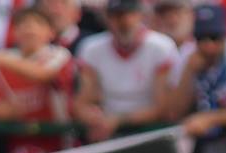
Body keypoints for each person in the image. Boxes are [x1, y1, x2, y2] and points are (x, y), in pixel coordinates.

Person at [73, 0, 178, 142]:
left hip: (152, 134)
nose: (125, 22)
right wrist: (92, 116)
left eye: (130, 14)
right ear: (107, 17)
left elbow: (163, 107)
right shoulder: (91, 48)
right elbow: (83, 100)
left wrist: (118, 120)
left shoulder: (161, 46)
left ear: (141, 15)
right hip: (109, 134)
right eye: (117, 15)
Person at [0, 7, 75, 153]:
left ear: (51, 32)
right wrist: (4, 111)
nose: (29, 28)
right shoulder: (3, 61)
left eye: (37, 23)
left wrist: (0, 58)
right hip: (17, 148)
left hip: (58, 146)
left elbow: (42, 74)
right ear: (14, 32)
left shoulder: (59, 54)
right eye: (22, 24)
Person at [168, 4, 226, 142]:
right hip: (204, 141)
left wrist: (211, 118)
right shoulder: (187, 55)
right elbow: (174, 112)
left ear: (225, 35)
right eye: (202, 38)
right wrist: (188, 72)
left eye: (215, 37)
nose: (209, 45)